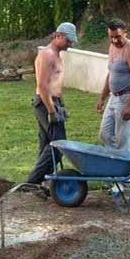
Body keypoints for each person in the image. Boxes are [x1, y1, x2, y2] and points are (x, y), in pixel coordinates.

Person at [25, 22, 78, 190]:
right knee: (58, 145)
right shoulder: (47, 55)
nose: (71, 44)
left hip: (52, 102)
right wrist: (52, 110)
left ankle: (41, 183)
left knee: (47, 145)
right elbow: (42, 86)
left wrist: (60, 104)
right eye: (69, 40)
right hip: (45, 103)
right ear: (59, 36)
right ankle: (31, 182)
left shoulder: (56, 54)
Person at [95, 18, 130, 152]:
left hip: (127, 97)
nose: (115, 41)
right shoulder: (112, 47)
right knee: (105, 135)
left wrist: (129, 106)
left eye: (118, 37)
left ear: (125, 33)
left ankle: (125, 169)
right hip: (113, 97)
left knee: (123, 139)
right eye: (111, 37)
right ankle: (114, 160)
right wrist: (102, 98)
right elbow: (110, 73)